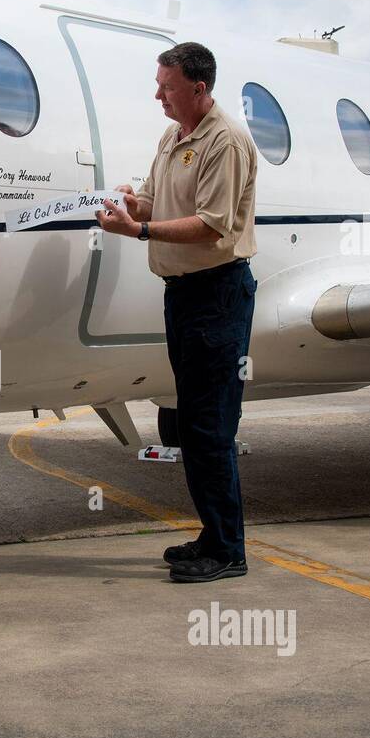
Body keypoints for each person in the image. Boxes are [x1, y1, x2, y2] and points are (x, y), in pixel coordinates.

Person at [96, 41, 258, 583]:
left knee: (210, 427)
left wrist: (137, 229)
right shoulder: (174, 137)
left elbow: (213, 225)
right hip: (183, 296)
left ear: (199, 88)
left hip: (217, 294)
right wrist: (131, 204)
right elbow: (154, 200)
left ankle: (228, 551)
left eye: (166, 86)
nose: (158, 94)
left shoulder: (226, 142)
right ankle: (212, 536)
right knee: (190, 423)